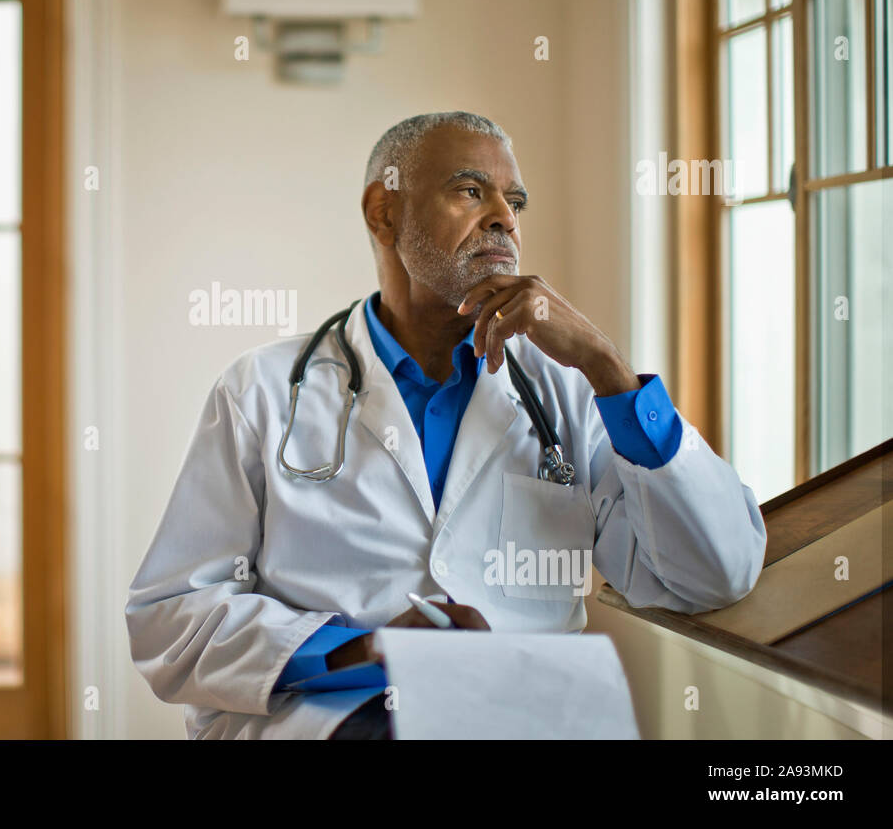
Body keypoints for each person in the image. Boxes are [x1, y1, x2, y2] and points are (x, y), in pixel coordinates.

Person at [126, 111, 767, 739]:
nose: (504, 218)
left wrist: (608, 368)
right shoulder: (263, 391)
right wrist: (365, 651)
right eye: (470, 190)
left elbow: (715, 573)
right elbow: (171, 618)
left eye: (513, 201)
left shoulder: (570, 395)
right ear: (385, 212)